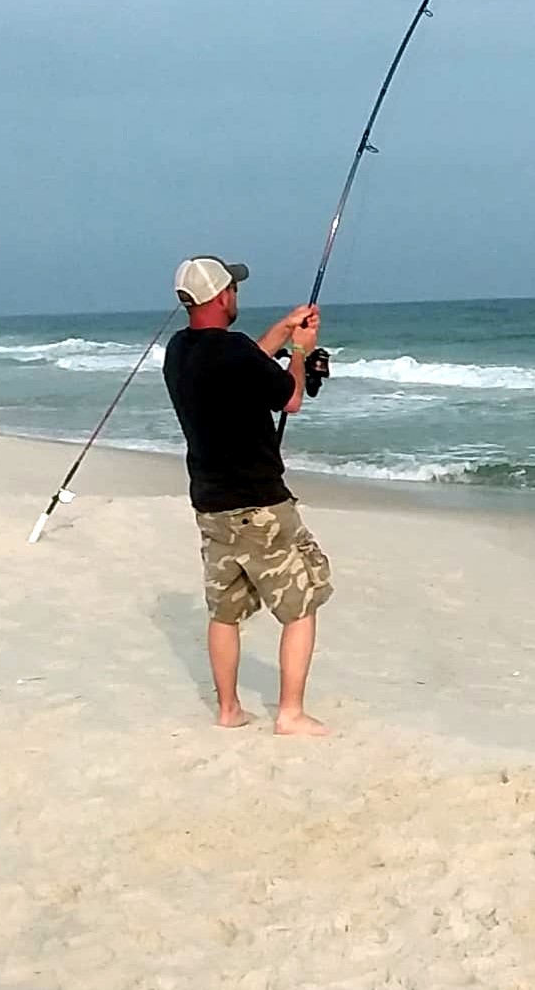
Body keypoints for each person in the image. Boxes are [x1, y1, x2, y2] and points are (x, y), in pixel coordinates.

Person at [162, 255, 334, 736]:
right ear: (221, 297)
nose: (237, 294)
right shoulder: (234, 352)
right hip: (260, 505)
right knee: (301, 604)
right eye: (233, 288)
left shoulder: (180, 351)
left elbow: (248, 362)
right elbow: (291, 397)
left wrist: (283, 329)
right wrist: (300, 352)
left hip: (211, 506)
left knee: (225, 612)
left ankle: (228, 709)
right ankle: (290, 713)